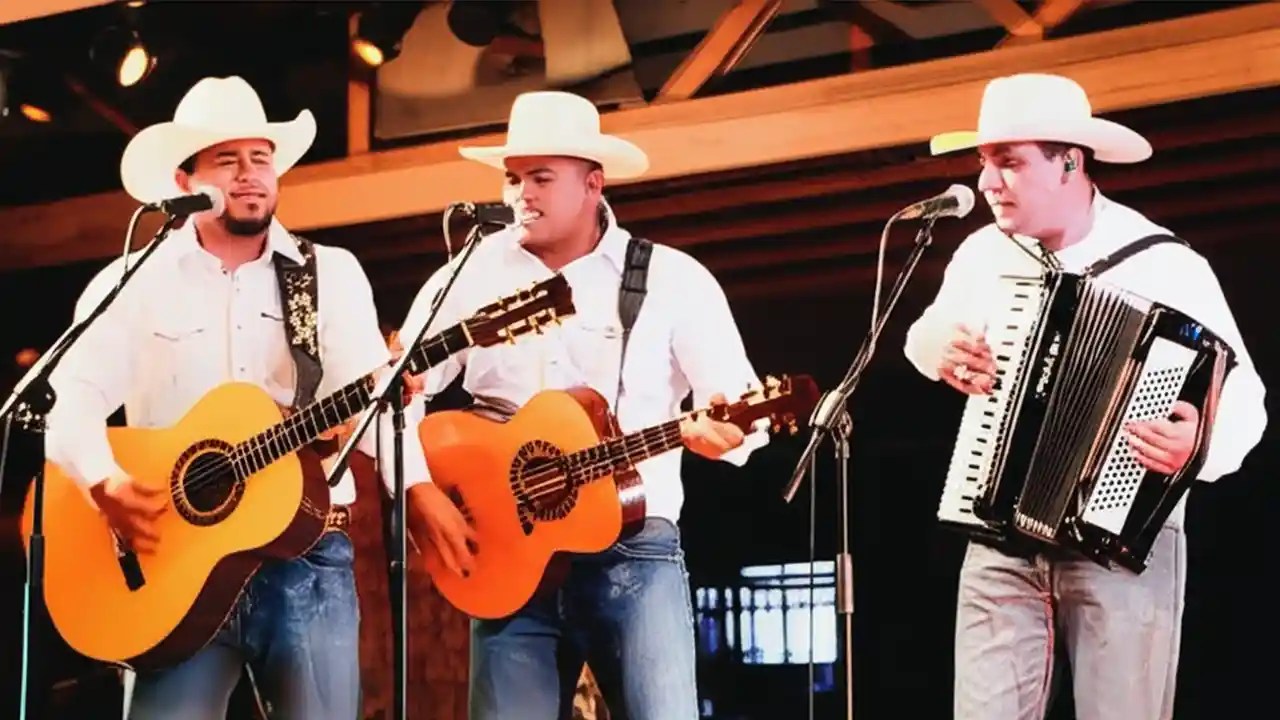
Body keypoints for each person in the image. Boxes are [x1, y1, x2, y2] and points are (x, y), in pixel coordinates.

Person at [41, 75, 471, 719]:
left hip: (307, 552)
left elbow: (367, 395)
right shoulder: (133, 280)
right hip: (175, 560)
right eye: (226, 160)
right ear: (185, 183)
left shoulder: (327, 273)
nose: (249, 174)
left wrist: (416, 483)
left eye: (261, 158)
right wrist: (104, 482)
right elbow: (69, 396)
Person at [904, 73, 1268, 719]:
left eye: (1008, 163)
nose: (987, 183)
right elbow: (925, 335)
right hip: (997, 534)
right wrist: (943, 351)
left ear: (1069, 161)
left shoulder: (1165, 263)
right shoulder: (984, 254)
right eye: (984, 163)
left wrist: (1196, 443)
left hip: (1121, 541)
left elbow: (1245, 399)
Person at [397, 90, 770, 719]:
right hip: (506, 549)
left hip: (635, 548)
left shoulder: (674, 279)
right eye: (513, 179)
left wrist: (725, 432)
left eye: (541, 178)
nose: (522, 195)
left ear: (593, 183)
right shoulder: (470, 273)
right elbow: (396, 390)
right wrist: (417, 489)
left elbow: (736, 408)